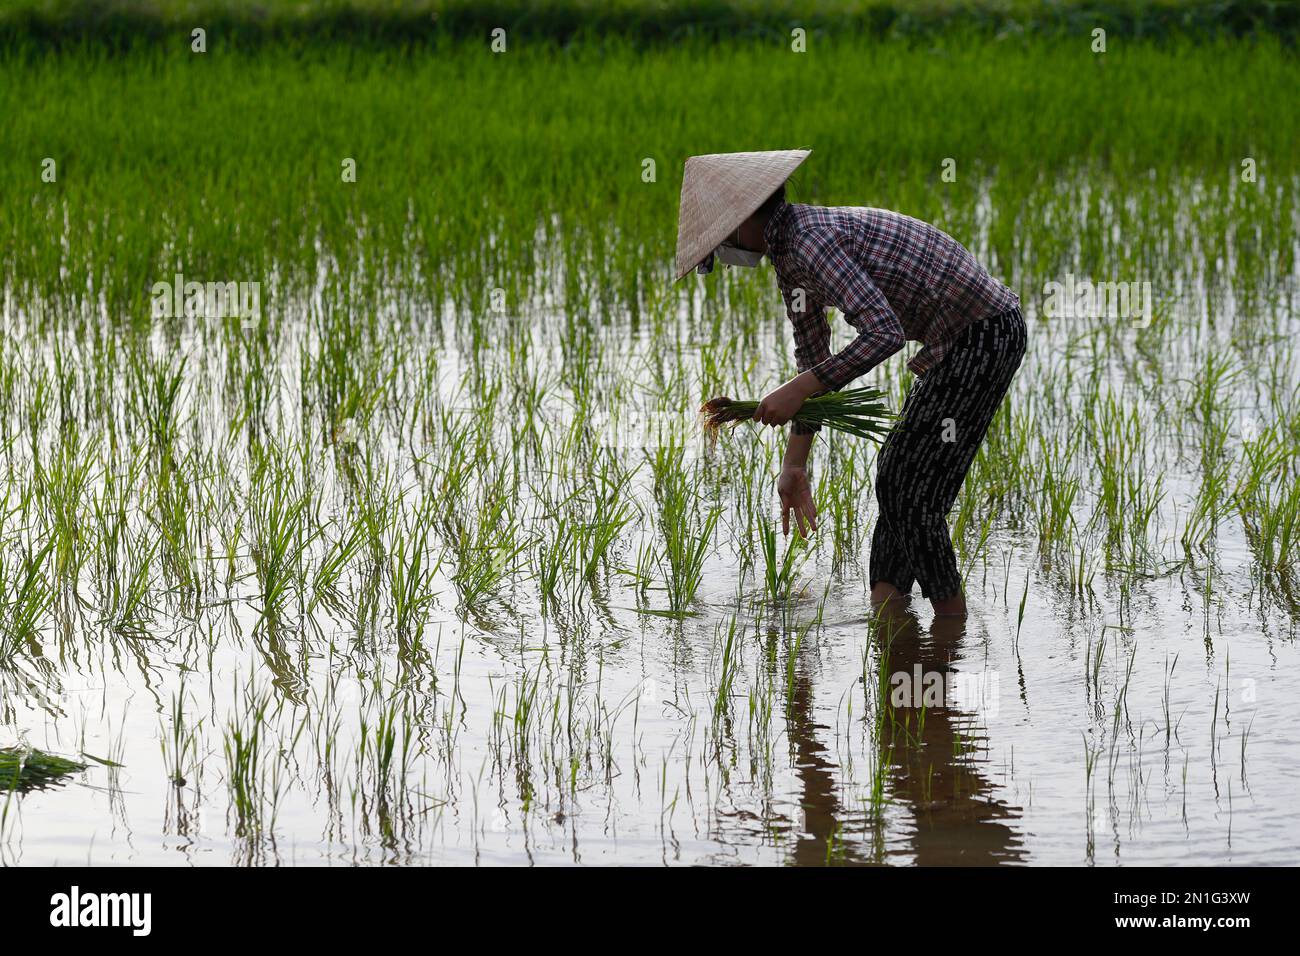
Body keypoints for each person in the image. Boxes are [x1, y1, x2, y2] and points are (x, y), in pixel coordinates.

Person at [675, 149, 1025, 617]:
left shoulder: (808, 242)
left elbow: (884, 332)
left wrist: (798, 388)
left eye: (721, 240)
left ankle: (950, 623)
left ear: (745, 221)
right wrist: (794, 467)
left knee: (906, 484)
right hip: (957, 336)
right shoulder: (790, 252)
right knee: (901, 479)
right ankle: (890, 617)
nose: (722, 253)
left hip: (982, 333)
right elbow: (814, 358)